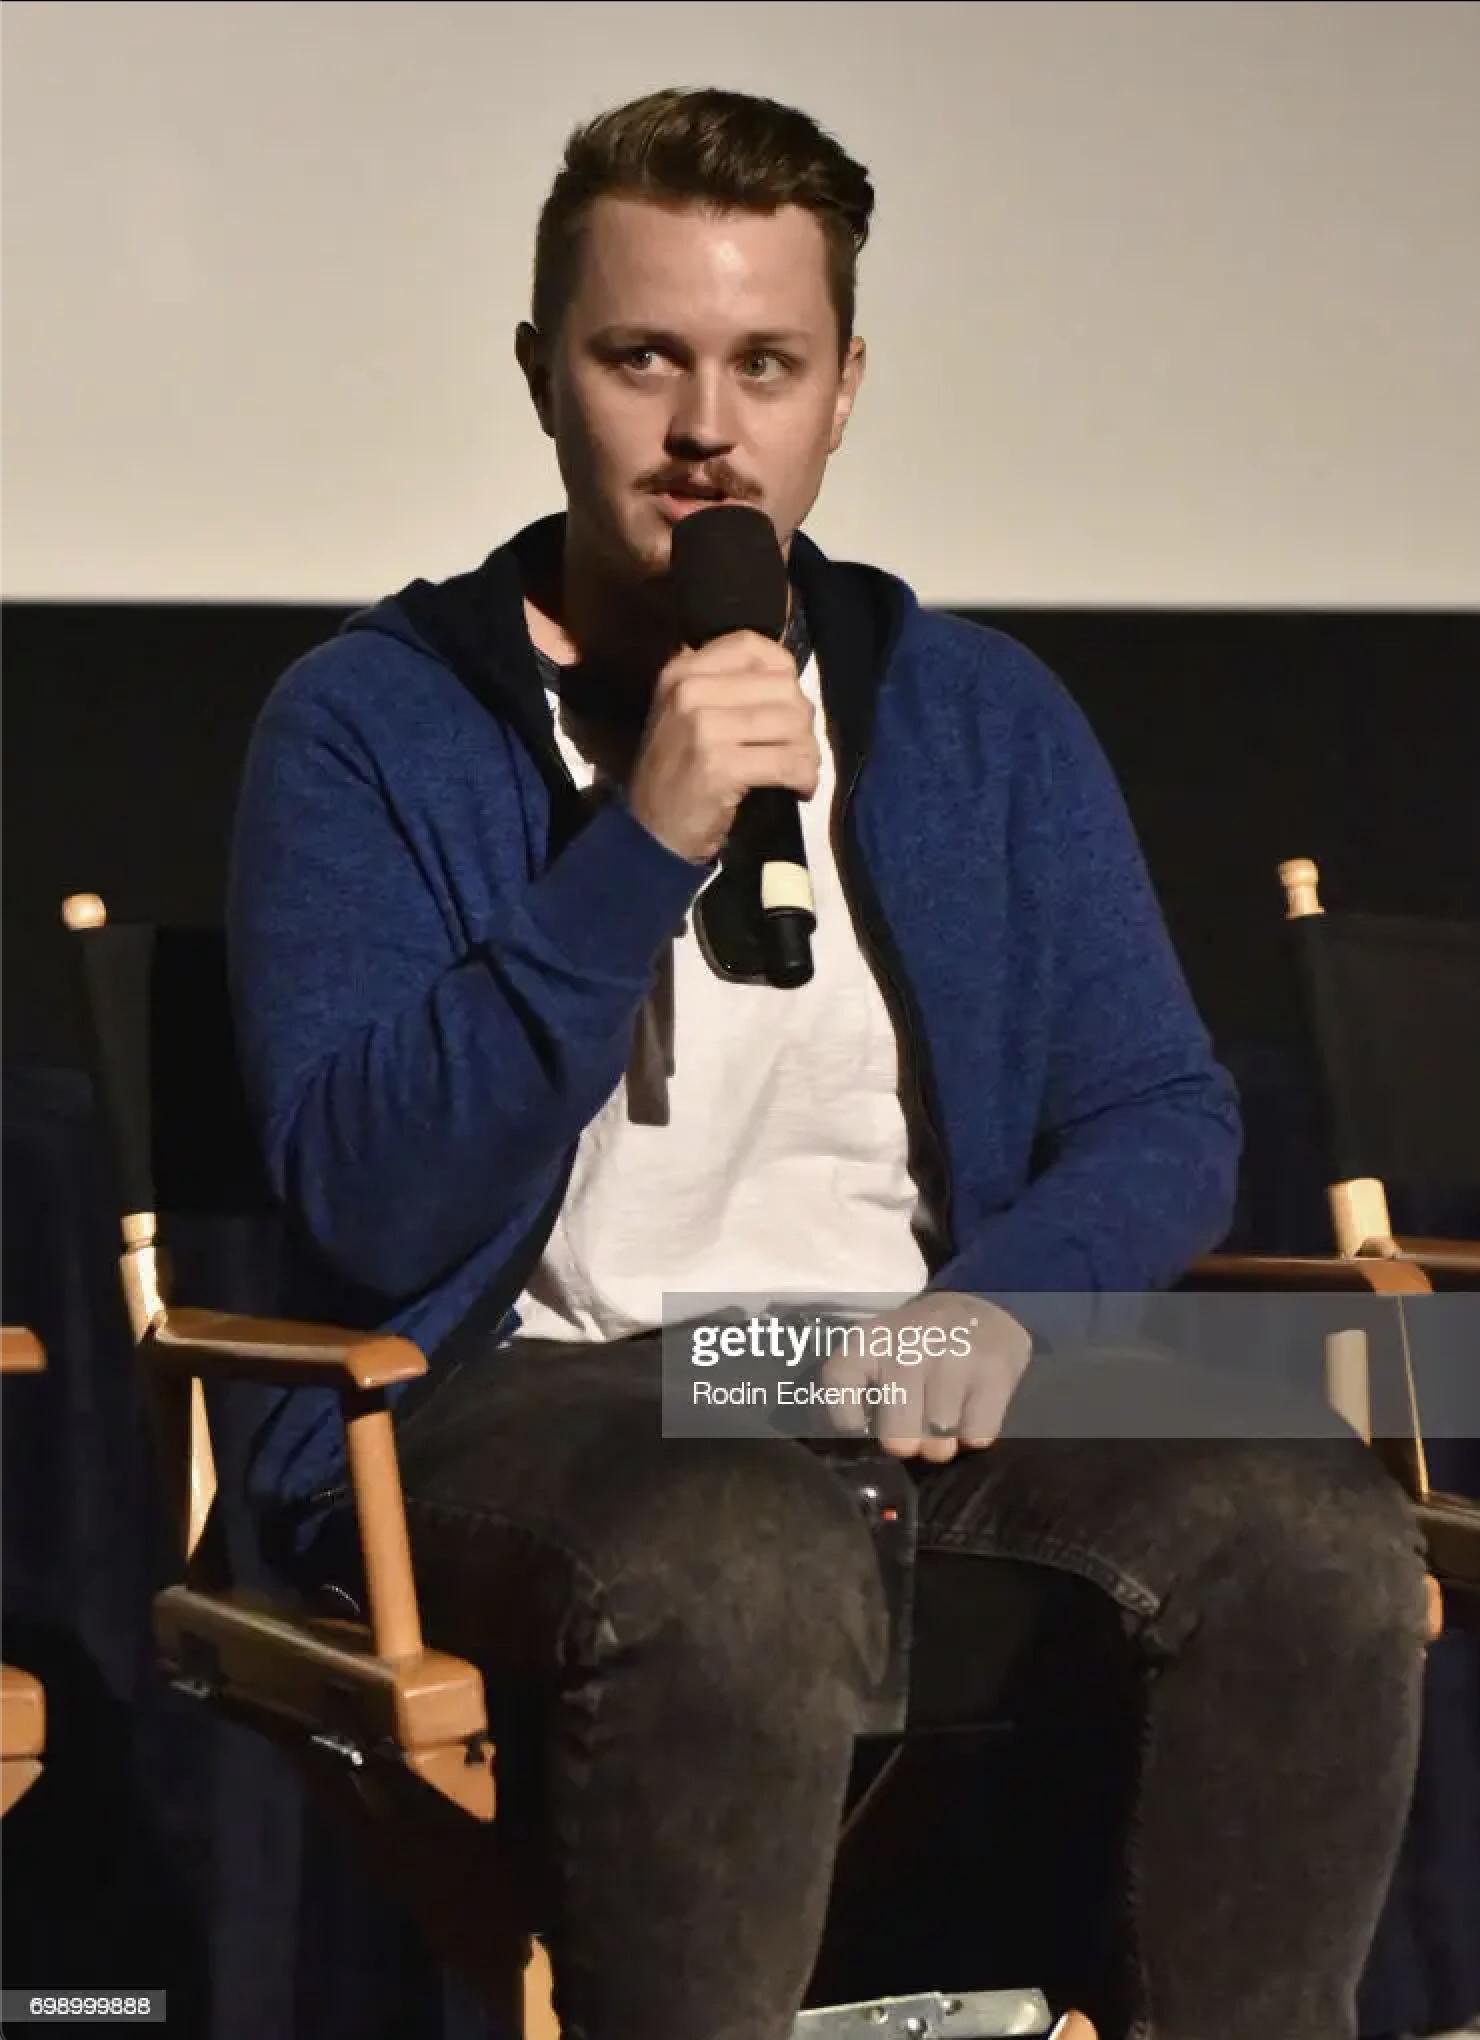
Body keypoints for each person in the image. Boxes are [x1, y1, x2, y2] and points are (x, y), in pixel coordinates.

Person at [226, 86, 1432, 2040]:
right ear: (542, 376)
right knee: (734, 1547)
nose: (709, 429)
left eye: (765, 364)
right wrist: (631, 847)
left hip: (875, 1366)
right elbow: (367, 1194)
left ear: (842, 390)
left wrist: (999, 1310)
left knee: (1307, 1532)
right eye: (644, 358)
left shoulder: (968, 710)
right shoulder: (370, 724)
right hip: (531, 1396)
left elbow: (1159, 1107)